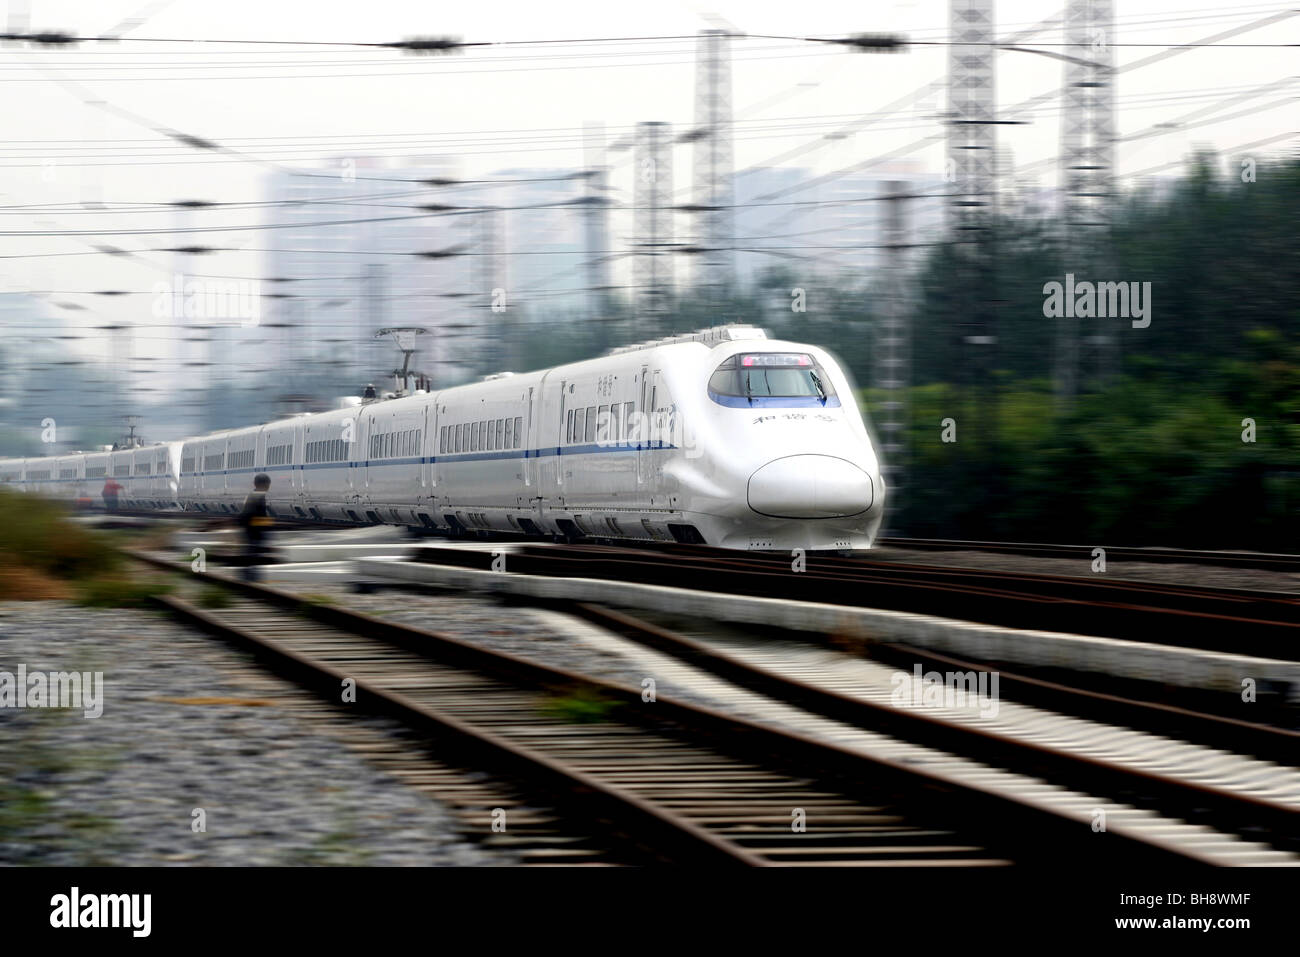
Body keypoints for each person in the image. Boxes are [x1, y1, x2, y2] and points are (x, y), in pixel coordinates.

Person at [237, 473, 273, 581]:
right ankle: (249, 578)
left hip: (251, 531)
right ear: (266, 485)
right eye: (267, 484)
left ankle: (248, 577)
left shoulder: (253, 494)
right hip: (253, 531)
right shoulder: (258, 496)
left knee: (251, 556)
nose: (268, 487)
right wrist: (267, 526)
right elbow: (254, 514)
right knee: (252, 556)